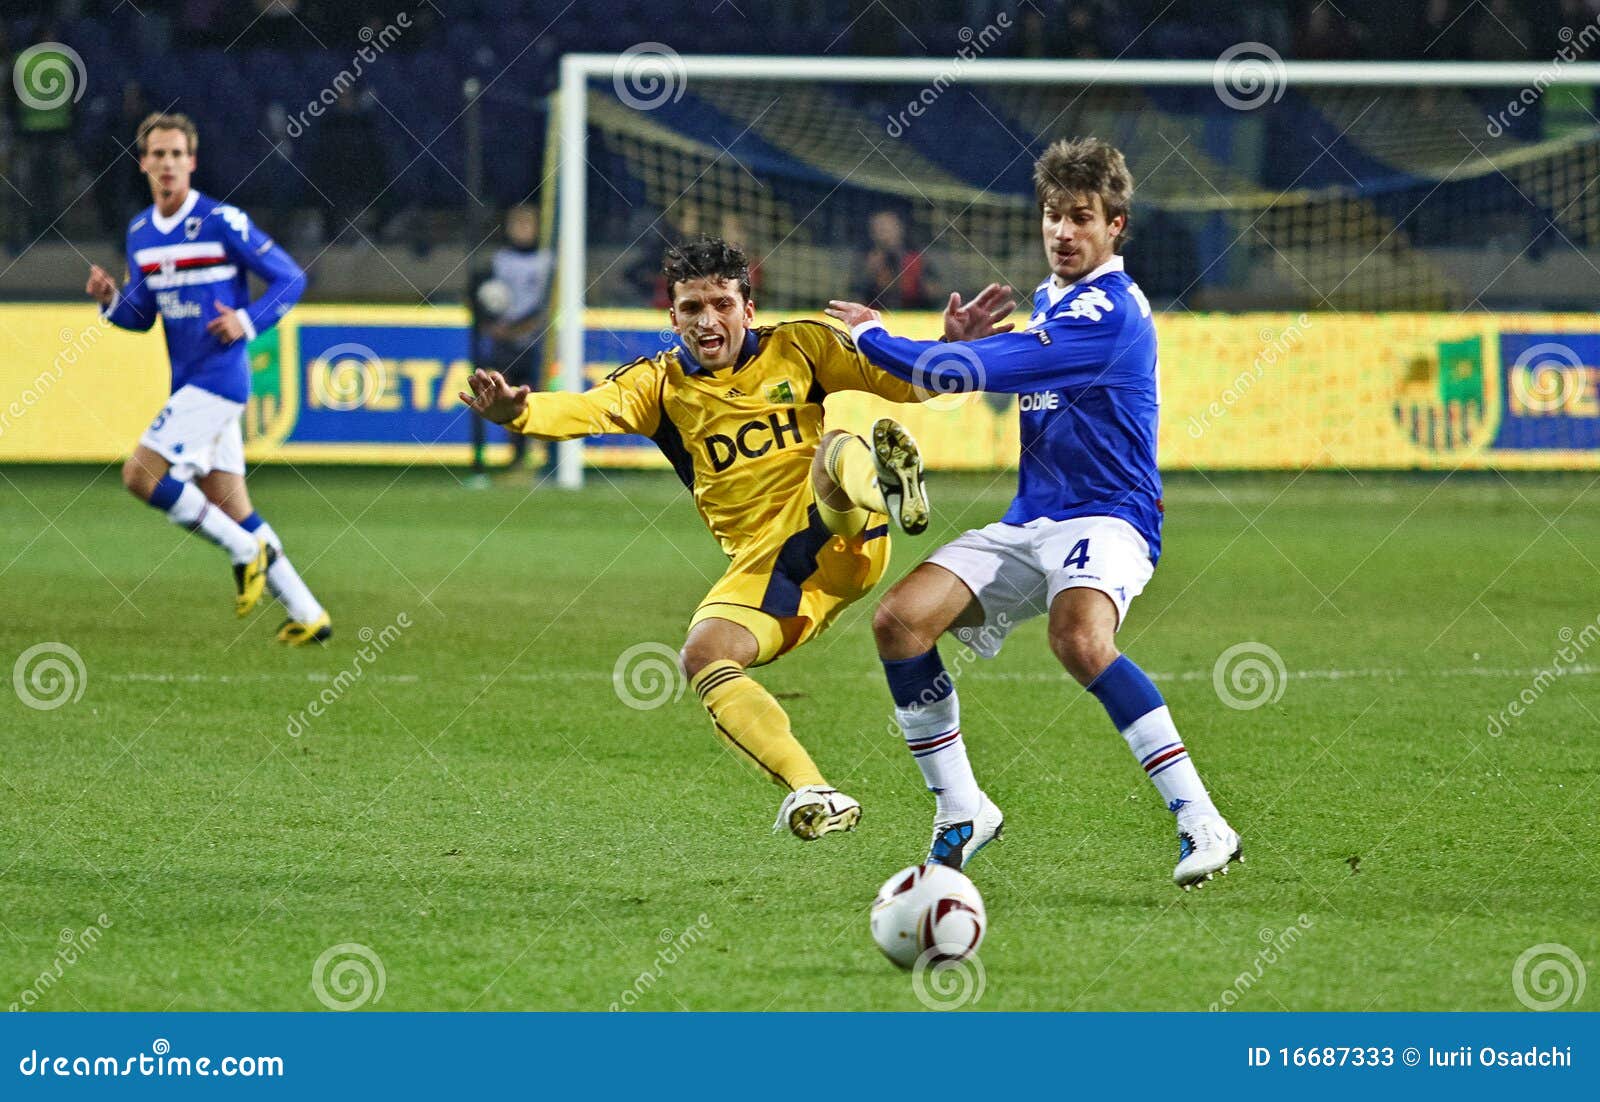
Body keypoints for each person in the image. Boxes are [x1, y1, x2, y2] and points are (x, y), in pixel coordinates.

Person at [826, 137, 1241, 890]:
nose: (1063, 231)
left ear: (1116, 226)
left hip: (1108, 517)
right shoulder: (1054, 301)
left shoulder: (1109, 312)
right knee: (900, 622)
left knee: (1079, 637)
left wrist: (875, 337)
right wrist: (960, 343)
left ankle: (1202, 820)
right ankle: (963, 808)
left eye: (1082, 217)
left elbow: (967, 371)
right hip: (1030, 521)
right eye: (1053, 215)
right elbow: (983, 369)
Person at [461, 237, 969, 840]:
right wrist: (516, 415)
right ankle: (814, 790)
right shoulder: (658, 385)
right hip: (774, 571)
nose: (708, 319)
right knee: (704, 655)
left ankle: (882, 487)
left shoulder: (801, 346)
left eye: (722, 304)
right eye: (693, 307)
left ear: (748, 309)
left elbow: (907, 383)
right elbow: (584, 411)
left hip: (845, 532)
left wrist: (952, 352)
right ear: (672, 317)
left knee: (834, 451)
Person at [84, 112, 330, 645]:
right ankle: (308, 613)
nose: (167, 164)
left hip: (220, 378)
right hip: (187, 382)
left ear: (191, 162)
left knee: (140, 476)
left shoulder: (221, 221)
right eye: (158, 155)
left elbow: (291, 278)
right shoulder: (141, 233)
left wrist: (246, 321)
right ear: (144, 163)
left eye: (177, 154)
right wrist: (111, 302)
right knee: (230, 505)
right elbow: (142, 314)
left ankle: (247, 554)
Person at [468, 204, 554, 484]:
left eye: (527, 224)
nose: (522, 230)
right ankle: (516, 460)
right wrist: (494, 325)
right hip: (505, 344)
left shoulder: (547, 261)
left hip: (538, 342)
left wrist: (523, 327)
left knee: (540, 400)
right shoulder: (499, 260)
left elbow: (548, 304)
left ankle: (546, 462)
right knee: (509, 400)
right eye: (517, 224)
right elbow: (484, 298)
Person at [854, 210, 932, 310]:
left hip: (913, 316)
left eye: (889, 227)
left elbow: (933, 292)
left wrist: (917, 278)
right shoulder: (866, 259)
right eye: (879, 228)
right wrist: (869, 275)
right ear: (872, 232)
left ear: (900, 229)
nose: (885, 232)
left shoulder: (916, 257)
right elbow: (855, 296)